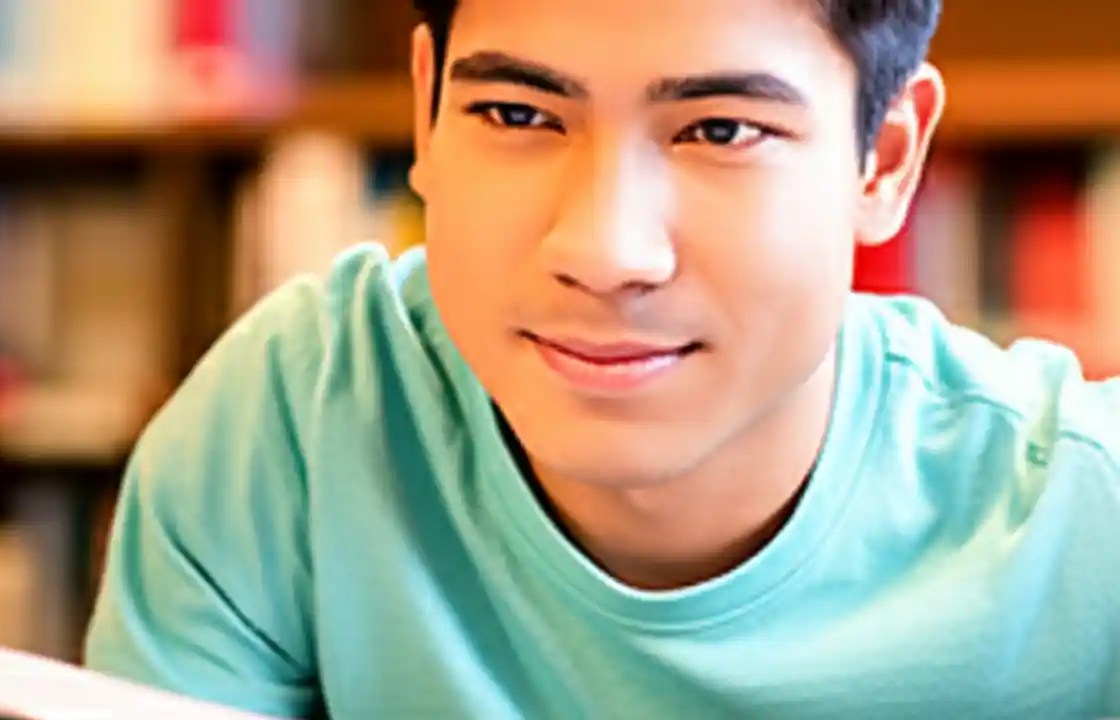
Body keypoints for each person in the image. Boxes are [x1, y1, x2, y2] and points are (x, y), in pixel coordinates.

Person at [83, 0, 1120, 717]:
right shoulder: (296, 419)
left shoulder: (1085, 524)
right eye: (515, 113)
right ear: (425, 115)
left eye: (720, 128)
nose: (603, 252)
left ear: (883, 159)